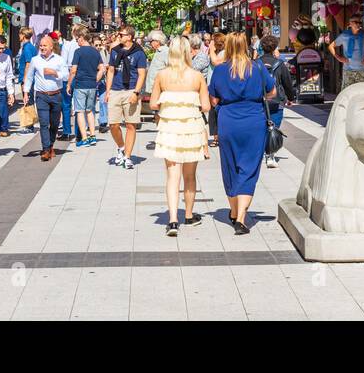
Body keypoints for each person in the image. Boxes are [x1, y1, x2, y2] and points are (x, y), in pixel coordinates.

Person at [209, 32, 276, 235]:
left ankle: (233, 209)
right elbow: (272, 92)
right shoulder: (257, 67)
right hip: (254, 121)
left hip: (228, 120)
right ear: (246, 46)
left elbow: (213, 100)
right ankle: (240, 218)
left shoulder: (220, 70)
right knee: (249, 167)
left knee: (230, 165)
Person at [150, 36, 211, 237]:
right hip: (192, 127)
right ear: (187, 52)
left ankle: (173, 220)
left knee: (172, 176)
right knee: (190, 176)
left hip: (169, 128)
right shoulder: (197, 76)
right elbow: (206, 106)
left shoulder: (162, 75)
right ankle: (189, 215)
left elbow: (152, 104)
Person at [105, 26, 148, 169]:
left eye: (121, 34)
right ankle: (121, 147)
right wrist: (108, 90)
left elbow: (142, 74)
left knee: (130, 124)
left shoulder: (139, 53)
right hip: (116, 90)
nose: (118, 36)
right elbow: (111, 71)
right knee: (113, 124)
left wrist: (136, 92)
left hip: (131, 90)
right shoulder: (115, 51)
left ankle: (128, 156)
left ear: (129, 36)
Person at [24, 34, 67, 161]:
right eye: (40, 45)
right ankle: (46, 149)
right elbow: (30, 77)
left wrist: (54, 73)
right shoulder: (35, 60)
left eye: (44, 45)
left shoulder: (59, 59)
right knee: (43, 123)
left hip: (56, 95)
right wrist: (26, 92)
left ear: (51, 46)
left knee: (54, 124)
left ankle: (51, 145)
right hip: (41, 95)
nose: (42, 48)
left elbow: (66, 76)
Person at [258, 34, 295, 169]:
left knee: (261, 128)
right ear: (274, 48)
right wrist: (290, 98)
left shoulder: (256, 63)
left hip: (259, 101)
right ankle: (271, 154)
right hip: (277, 101)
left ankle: (262, 153)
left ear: (261, 47)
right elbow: (287, 83)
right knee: (274, 127)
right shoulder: (280, 65)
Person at [67, 26, 103, 147]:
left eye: (77, 38)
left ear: (82, 38)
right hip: (92, 86)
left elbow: (73, 70)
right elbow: (102, 68)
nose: (76, 41)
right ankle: (93, 136)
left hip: (80, 85)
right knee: (90, 111)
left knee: (80, 112)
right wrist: (95, 80)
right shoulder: (95, 51)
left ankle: (84, 138)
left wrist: (68, 84)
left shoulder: (78, 52)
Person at [332, 17, 364, 90]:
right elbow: (331, 46)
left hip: (361, 70)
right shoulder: (344, 35)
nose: (358, 24)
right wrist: (338, 57)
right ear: (350, 23)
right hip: (348, 70)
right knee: (347, 93)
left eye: (360, 22)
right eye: (356, 22)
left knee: (361, 93)